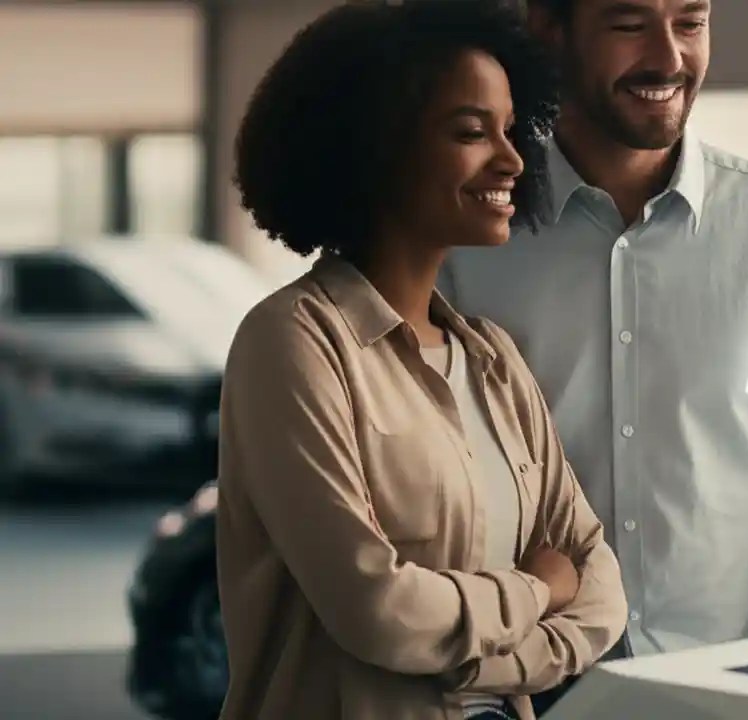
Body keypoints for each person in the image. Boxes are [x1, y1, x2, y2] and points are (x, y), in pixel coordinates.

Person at [440, 0, 748, 705]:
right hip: (526, 691)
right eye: (630, 25)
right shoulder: (467, 229)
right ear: (548, 27)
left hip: (735, 689)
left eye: (691, 21)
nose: (669, 58)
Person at [215, 2, 627, 719]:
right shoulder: (291, 343)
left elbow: (598, 589)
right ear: (375, 147)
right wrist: (533, 592)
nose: (514, 159)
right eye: (471, 132)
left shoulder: (492, 359)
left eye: (509, 128)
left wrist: (479, 665)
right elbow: (376, 608)